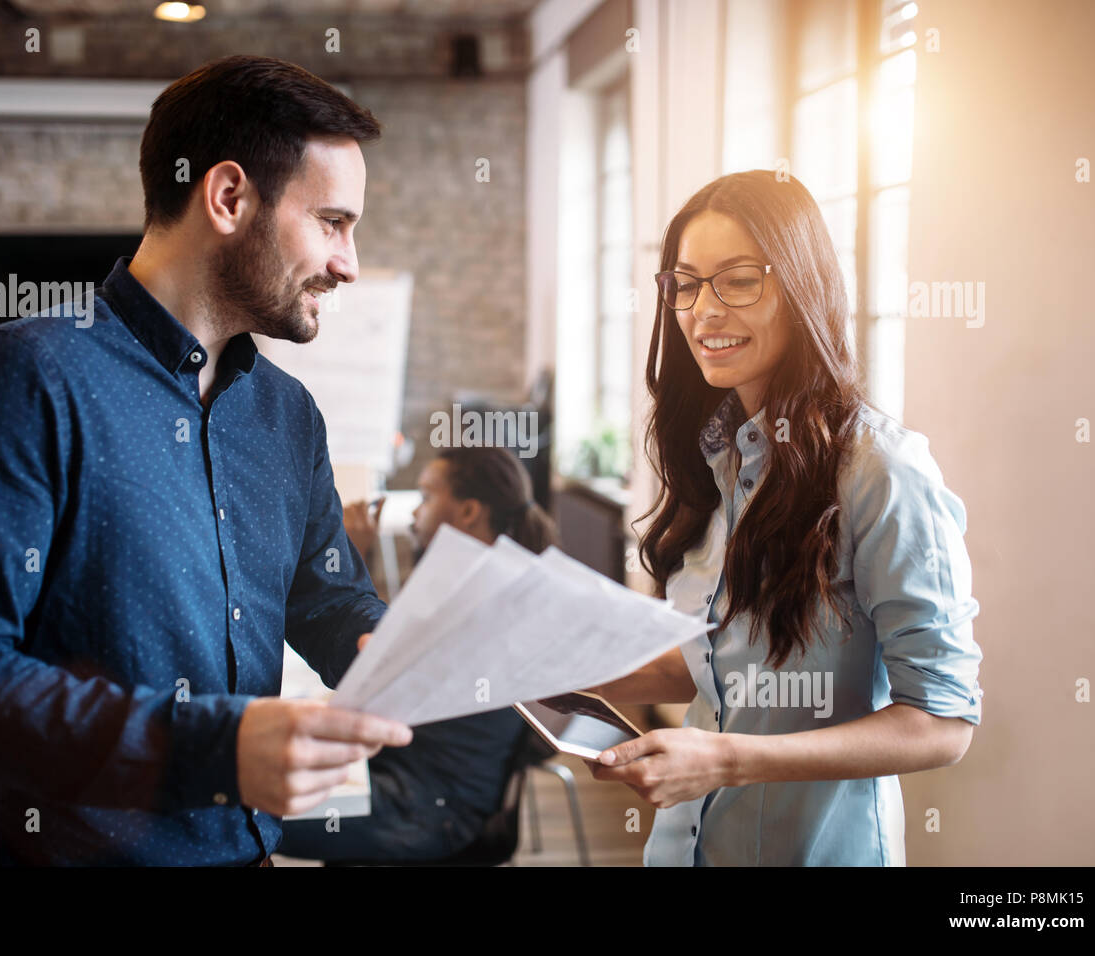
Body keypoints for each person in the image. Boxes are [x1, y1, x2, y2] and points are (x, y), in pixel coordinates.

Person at [0, 55, 413, 866]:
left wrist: (393, 647)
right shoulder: (18, 382)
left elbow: (326, 600)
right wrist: (213, 747)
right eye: (334, 222)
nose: (348, 262)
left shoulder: (287, 415)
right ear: (229, 197)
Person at [587, 170, 983, 866]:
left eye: (738, 280)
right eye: (683, 284)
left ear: (800, 287)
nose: (702, 312)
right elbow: (709, 666)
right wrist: (544, 672)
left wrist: (726, 761)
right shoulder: (714, 454)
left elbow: (943, 722)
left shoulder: (882, 471)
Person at [277, 447, 557, 862]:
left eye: (426, 497)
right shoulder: (490, 580)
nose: (413, 514)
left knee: (248, 811)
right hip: (411, 778)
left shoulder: (474, 594)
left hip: (427, 807)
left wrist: (349, 559)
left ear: (467, 512)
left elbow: (380, 677)